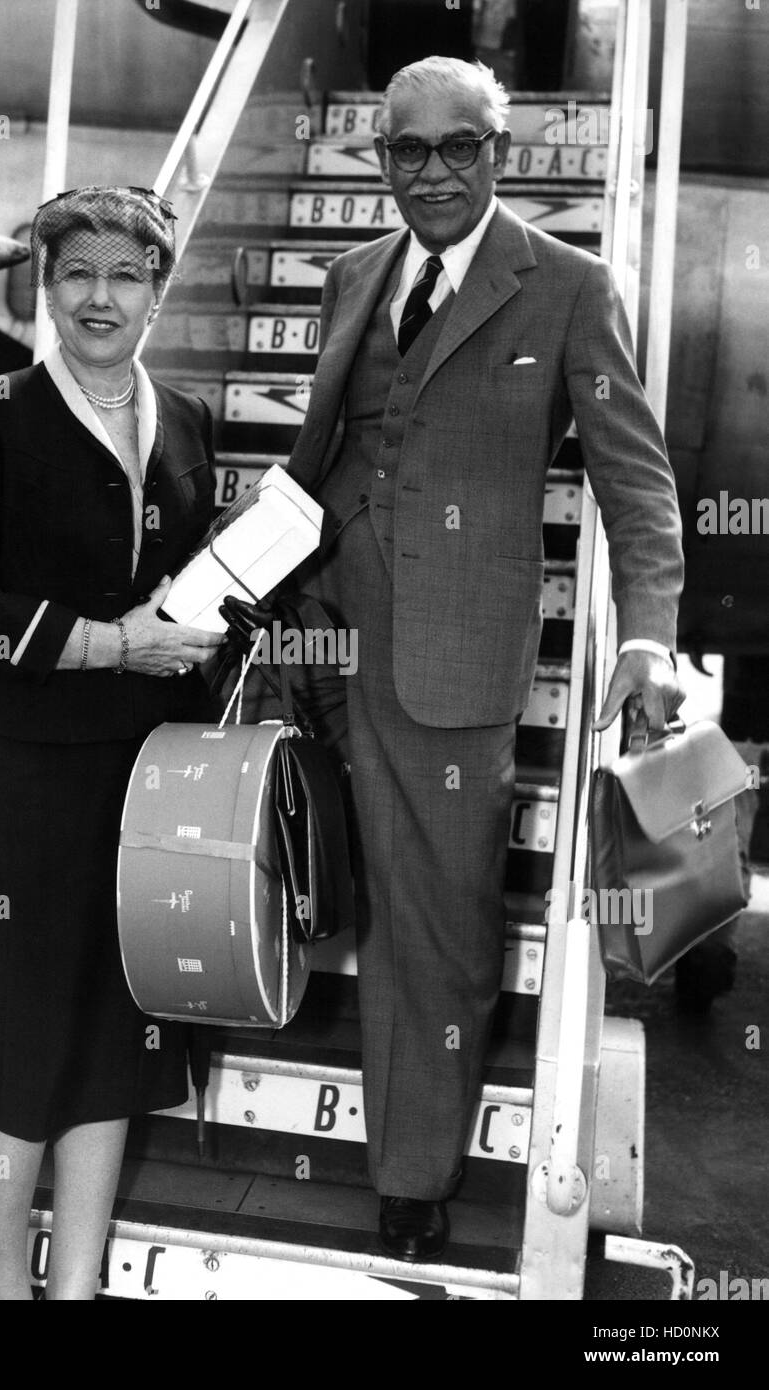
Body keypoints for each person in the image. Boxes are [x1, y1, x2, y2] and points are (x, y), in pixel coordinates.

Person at [285, 57, 685, 1261]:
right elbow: (326, 456)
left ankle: (411, 1177)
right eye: (408, 151)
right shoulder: (356, 273)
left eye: (461, 147)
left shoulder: (565, 286)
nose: (435, 173)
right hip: (318, 633)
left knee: (440, 930)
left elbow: (638, 479)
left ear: (503, 152)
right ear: (381, 160)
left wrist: (654, 634)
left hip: (453, 657)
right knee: (309, 878)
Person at [0, 186, 224, 1300]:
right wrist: (109, 645)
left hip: (143, 771)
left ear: (158, 292)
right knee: (15, 1030)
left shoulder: (189, 425)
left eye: (126, 275)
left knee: (115, 1027)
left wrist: (219, 620)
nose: (98, 297)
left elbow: (188, 597)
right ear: (44, 287)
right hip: (22, 769)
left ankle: (71, 1286)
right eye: (76, 273)